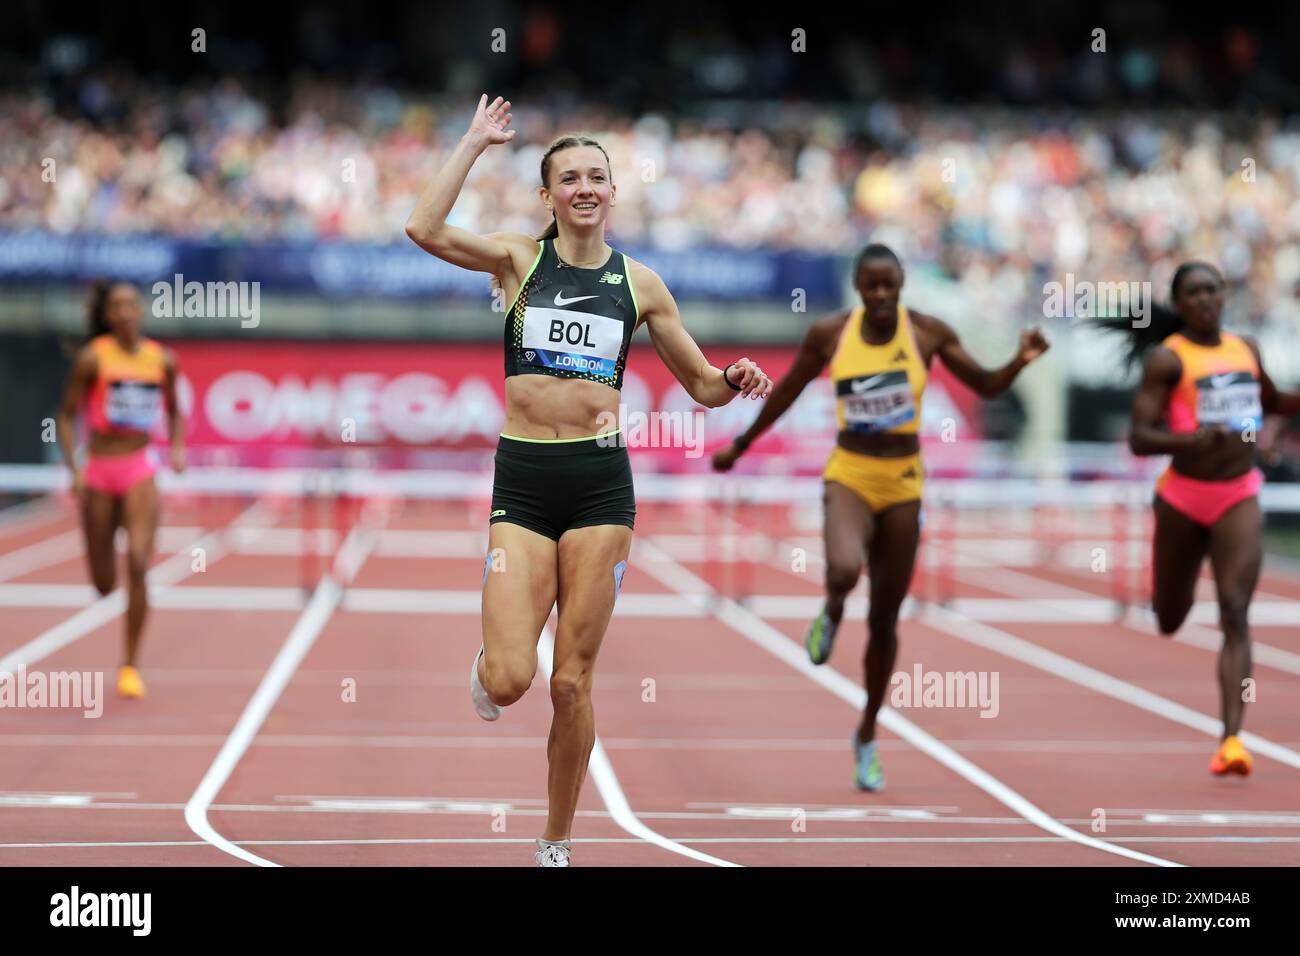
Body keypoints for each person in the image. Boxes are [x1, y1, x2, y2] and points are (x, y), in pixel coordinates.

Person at [404, 95, 772, 865]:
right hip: (526, 479)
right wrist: (472, 144)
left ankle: (556, 840)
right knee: (511, 679)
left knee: (570, 683)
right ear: (548, 196)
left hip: (602, 486)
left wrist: (732, 376)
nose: (583, 187)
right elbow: (423, 230)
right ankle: (485, 669)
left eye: (596, 176)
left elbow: (701, 386)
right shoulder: (517, 260)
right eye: (567, 177)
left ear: (613, 192)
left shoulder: (640, 285)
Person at [712, 244, 1048, 791]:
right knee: (844, 569)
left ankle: (866, 734)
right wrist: (741, 445)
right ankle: (832, 608)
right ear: (858, 288)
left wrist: (1019, 360)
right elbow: (789, 393)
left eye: (890, 285)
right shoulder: (831, 334)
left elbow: (985, 385)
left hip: (904, 482)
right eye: (871, 286)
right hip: (850, 473)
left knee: (887, 620)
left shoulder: (927, 334)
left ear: (902, 284)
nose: (882, 296)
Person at [1101, 261, 1300, 776]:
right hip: (1183, 499)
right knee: (1170, 616)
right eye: (1195, 293)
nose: (1207, 300)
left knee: (1235, 609)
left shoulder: (1246, 348)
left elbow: (1273, 401)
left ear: (1224, 294)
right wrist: (1191, 438)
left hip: (1237, 493)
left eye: (1214, 289)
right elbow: (1139, 437)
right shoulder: (1169, 361)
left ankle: (1231, 740)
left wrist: (1276, 423)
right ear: (1181, 303)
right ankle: (1168, 592)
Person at [56, 280, 186, 699]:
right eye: (118, 306)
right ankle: (103, 559)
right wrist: (74, 468)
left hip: (139, 466)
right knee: (103, 583)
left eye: (133, 303)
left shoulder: (161, 359)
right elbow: (65, 414)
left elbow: (174, 411)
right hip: (98, 470)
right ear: (108, 316)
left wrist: (178, 447)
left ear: (141, 311)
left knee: (138, 561)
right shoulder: (94, 359)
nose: (127, 311)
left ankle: (129, 664)